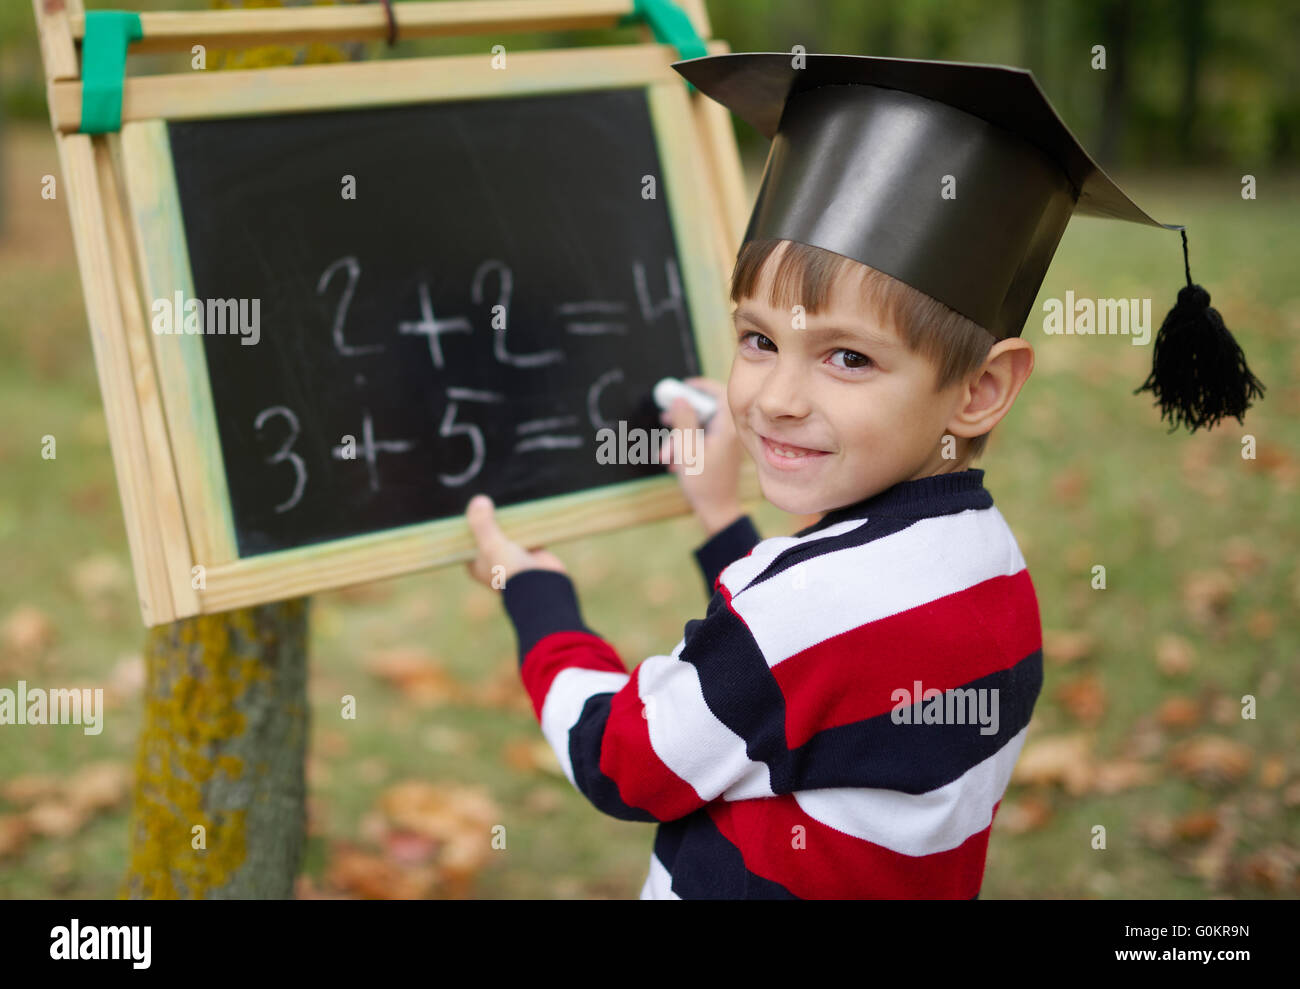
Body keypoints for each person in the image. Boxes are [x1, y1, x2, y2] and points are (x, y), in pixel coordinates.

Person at [462, 52, 1264, 898]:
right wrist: (721, 525)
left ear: (979, 389)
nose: (775, 399)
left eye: (848, 358)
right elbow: (818, 689)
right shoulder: (993, 570)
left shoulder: (797, 615)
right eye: (758, 339)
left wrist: (535, 593)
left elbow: (619, 761)